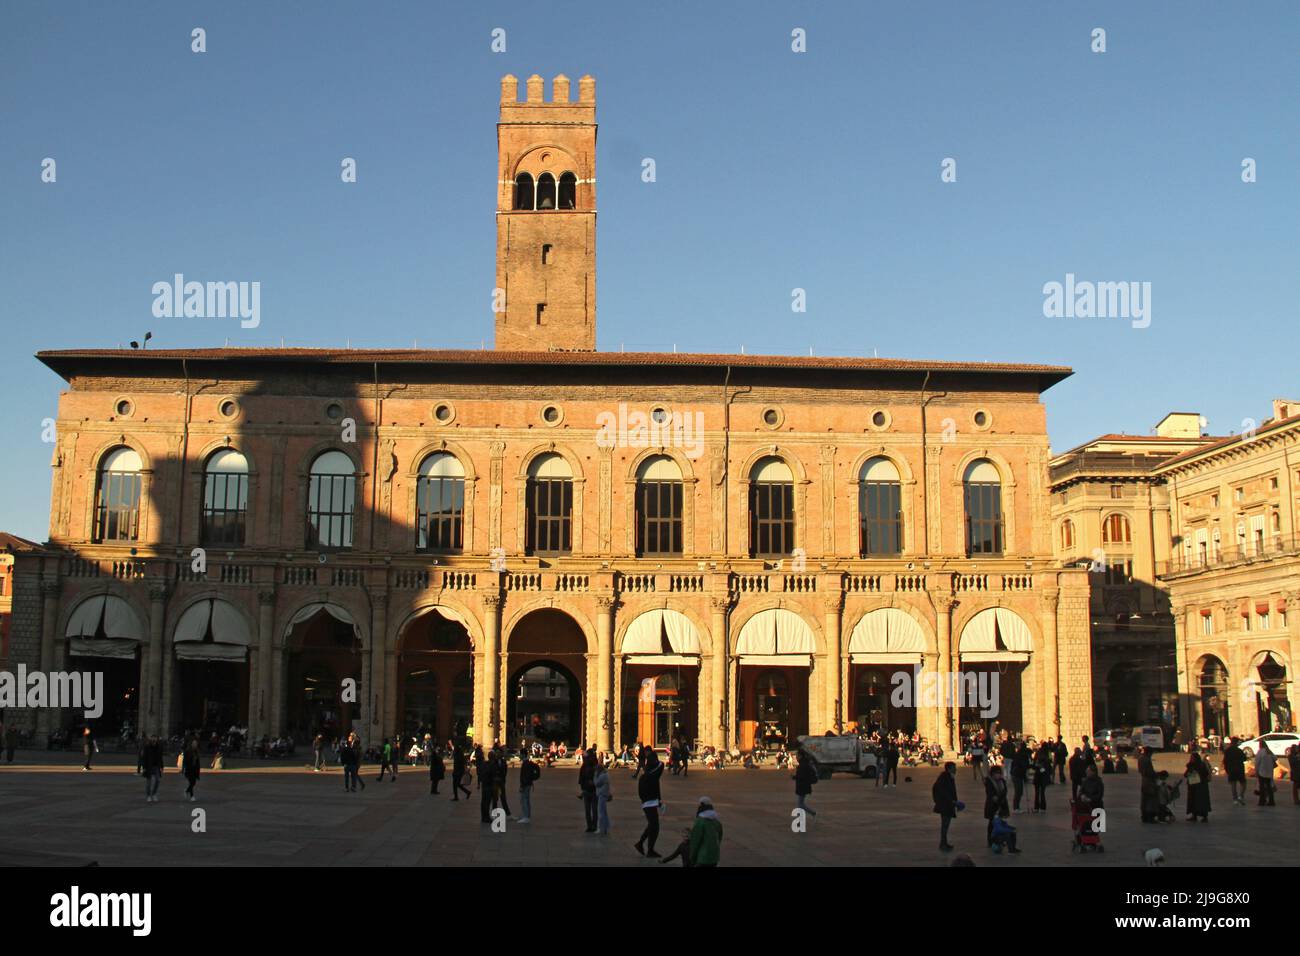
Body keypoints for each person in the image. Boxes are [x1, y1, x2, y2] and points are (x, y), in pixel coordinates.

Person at [633, 746, 664, 858]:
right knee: (654, 825)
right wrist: (652, 755)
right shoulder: (653, 774)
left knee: (653, 825)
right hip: (649, 802)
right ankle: (647, 848)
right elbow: (661, 764)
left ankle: (642, 844)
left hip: (648, 802)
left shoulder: (645, 776)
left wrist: (658, 800)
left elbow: (656, 787)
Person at [932, 761, 960, 852]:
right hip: (945, 805)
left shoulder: (948, 777)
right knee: (945, 825)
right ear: (949, 769)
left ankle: (944, 843)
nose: (955, 769)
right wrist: (950, 800)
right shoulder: (945, 778)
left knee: (946, 825)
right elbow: (942, 791)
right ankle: (943, 844)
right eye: (954, 768)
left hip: (947, 804)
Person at [687, 796, 723, 866]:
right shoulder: (717, 822)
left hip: (702, 858)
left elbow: (695, 841)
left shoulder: (700, 822)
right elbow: (719, 839)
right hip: (714, 857)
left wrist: (691, 857)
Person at [982, 764, 1010, 849]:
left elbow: (1005, 791)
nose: (998, 775)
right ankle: (990, 840)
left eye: (999, 773)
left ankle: (999, 840)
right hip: (992, 805)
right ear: (992, 774)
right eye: (996, 773)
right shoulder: (989, 782)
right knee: (992, 823)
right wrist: (995, 799)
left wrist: (1001, 801)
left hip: (1001, 804)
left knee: (1000, 823)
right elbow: (990, 793)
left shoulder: (1002, 781)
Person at [1184, 749, 1212, 822]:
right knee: (1194, 800)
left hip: (1200, 786)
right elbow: (1186, 774)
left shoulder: (1201, 765)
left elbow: (1205, 774)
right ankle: (1194, 815)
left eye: (1192, 758)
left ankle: (1203, 816)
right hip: (1194, 786)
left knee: (1201, 801)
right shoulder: (1191, 765)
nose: (1191, 759)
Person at [579, 746, 599, 833]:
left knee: (588, 810)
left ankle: (590, 826)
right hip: (594, 790)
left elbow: (581, 778)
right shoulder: (596, 765)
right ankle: (593, 826)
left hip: (587, 789)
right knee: (594, 809)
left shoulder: (585, 765)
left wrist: (582, 788)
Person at [1222, 737, 1247, 805]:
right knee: (1243, 784)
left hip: (1231, 769)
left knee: (1233, 785)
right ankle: (1240, 796)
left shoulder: (1227, 751)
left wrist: (1227, 770)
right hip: (1239, 769)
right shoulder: (1239, 750)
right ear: (1236, 743)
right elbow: (1245, 759)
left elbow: (1225, 761)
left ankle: (1235, 799)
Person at [517, 748, 539, 823]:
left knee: (524, 800)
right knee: (526, 799)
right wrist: (533, 778)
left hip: (526, 784)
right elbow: (537, 767)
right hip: (528, 783)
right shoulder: (528, 762)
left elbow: (524, 776)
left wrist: (522, 785)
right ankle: (527, 816)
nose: (519, 755)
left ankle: (526, 816)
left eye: (520, 754)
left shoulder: (526, 763)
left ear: (523, 755)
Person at [140, 734, 164, 803]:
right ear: (151, 739)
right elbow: (144, 757)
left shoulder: (159, 747)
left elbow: (160, 757)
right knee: (148, 783)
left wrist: (162, 766)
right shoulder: (147, 747)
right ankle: (148, 796)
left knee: (158, 780)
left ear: (156, 739)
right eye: (152, 738)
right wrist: (144, 767)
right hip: (148, 766)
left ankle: (154, 794)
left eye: (155, 738)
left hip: (156, 766)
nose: (154, 740)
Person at [793, 749, 817, 816]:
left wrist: (794, 777)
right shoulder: (804, 763)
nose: (796, 757)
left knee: (800, 804)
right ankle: (812, 813)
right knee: (801, 803)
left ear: (800, 756)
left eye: (797, 755)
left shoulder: (803, 765)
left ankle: (811, 813)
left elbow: (802, 776)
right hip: (804, 786)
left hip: (803, 786)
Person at [1138, 746, 1159, 823]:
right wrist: (1157, 774)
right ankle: (1150, 816)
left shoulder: (1140, 759)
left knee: (1144, 799)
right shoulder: (1147, 760)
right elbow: (1149, 772)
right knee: (1150, 799)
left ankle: (1144, 815)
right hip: (1149, 781)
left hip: (1144, 781)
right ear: (1149, 753)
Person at [1009, 740, 1029, 812]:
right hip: (1017, 774)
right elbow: (1023, 766)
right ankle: (1016, 807)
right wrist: (1025, 776)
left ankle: (1016, 807)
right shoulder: (1022, 755)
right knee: (1018, 791)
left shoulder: (1018, 754)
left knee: (1019, 791)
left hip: (1016, 774)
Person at [594, 759, 612, 835]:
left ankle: (601, 828)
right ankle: (606, 827)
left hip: (602, 794)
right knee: (604, 812)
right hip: (604, 794)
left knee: (601, 812)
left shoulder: (602, 776)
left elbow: (596, 783)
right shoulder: (606, 774)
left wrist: (595, 776)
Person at [1032, 743, 1052, 812]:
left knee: (1037, 792)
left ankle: (1036, 807)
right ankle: (1043, 807)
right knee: (1042, 792)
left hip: (1037, 775)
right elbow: (1050, 761)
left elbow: (1034, 763)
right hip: (1044, 775)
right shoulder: (1048, 753)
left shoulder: (1038, 753)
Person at [494, 745, 512, 817]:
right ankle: (494, 813)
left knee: (503, 798)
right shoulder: (493, 762)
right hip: (495, 782)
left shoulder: (503, 762)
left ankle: (508, 814)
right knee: (495, 799)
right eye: (497, 753)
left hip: (501, 782)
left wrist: (503, 779)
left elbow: (505, 772)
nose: (498, 754)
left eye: (499, 753)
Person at [181, 736, 201, 802]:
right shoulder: (187, 751)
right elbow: (184, 761)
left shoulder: (197, 752)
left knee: (193, 782)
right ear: (191, 744)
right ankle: (192, 796)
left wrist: (198, 769)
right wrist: (183, 768)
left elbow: (198, 761)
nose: (195, 744)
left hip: (195, 769)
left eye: (196, 743)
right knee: (192, 781)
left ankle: (187, 791)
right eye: (194, 743)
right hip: (189, 769)